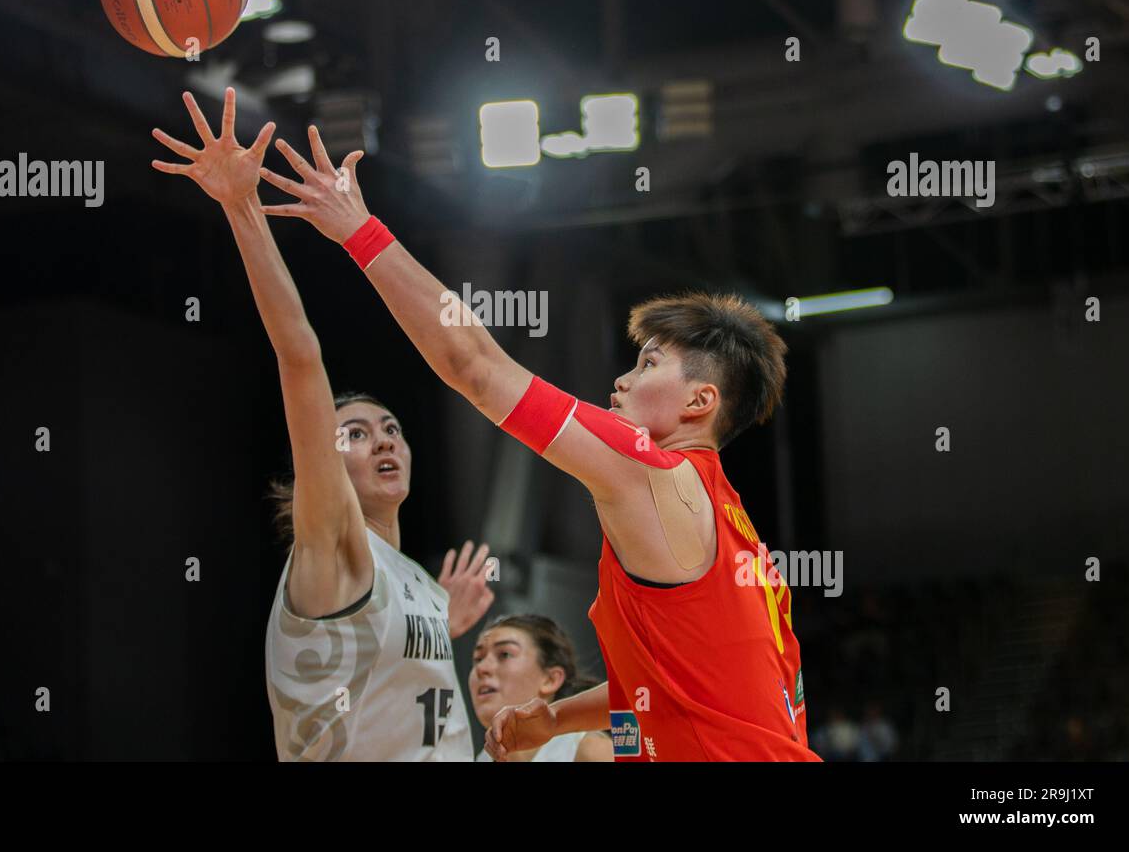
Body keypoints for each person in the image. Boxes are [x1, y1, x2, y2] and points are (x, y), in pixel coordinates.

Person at [254, 123, 820, 762]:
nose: (623, 378)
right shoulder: (738, 536)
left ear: (700, 402)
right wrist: (551, 718)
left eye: (649, 364)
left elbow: (475, 365)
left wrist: (358, 229)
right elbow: (661, 689)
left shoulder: (649, 472)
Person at [151, 89, 493, 760]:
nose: (385, 438)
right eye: (357, 434)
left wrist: (440, 619)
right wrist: (242, 206)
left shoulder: (413, 582)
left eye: (390, 427)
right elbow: (300, 354)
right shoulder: (334, 547)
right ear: (327, 465)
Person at [469, 615, 611, 762]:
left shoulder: (591, 750)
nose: (482, 668)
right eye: (478, 658)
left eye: (504, 654)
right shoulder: (481, 758)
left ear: (550, 680)